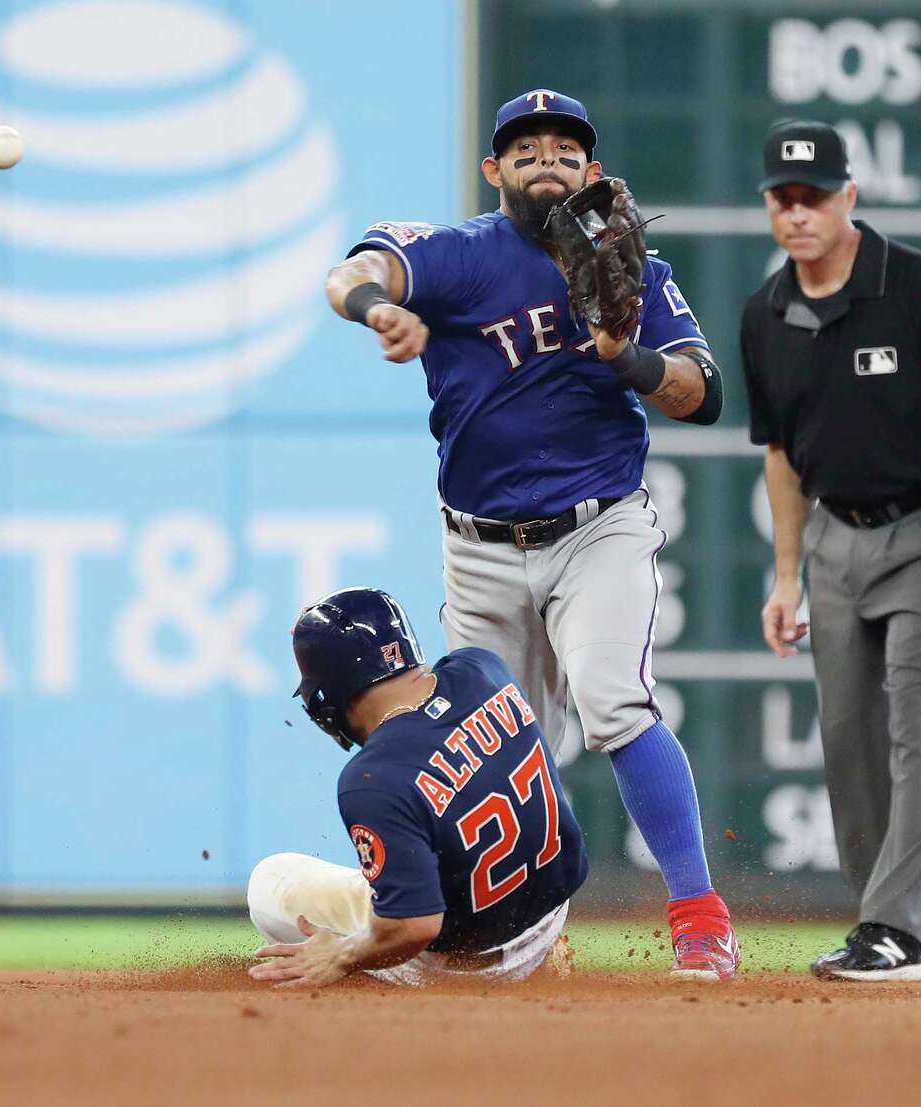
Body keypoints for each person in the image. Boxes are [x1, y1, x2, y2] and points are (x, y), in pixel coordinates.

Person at [322, 89, 738, 979]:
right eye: (525, 147)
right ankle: (518, 943)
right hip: (477, 546)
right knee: (497, 749)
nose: (544, 159)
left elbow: (704, 395)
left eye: (563, 148)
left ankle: (700, 915)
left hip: (600, 528)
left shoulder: (640, 275)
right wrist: (378, 310)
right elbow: (350, 272)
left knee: (614, 699)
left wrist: (624, 355)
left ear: (590, 170)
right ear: (494, 169)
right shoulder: (460, 256)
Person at [740, 120, 921, 982]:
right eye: (783, 198)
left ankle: (892, 922)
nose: (799, 212)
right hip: (835, 540)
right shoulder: (764, 315)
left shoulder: (918, 286)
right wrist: (786, 574)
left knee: (915, 728)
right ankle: (906, 930)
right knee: (848, 733)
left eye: (814, 195)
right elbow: (781, 457)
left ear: (849, 195)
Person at [248, 587, 586, 988]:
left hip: (461, 964)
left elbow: (414, 926)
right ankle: (547, 955)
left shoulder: (371, 778)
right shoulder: (482, 669)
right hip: (550, 913)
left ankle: (381, 1000)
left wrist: (340, 956)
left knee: (270, 883)